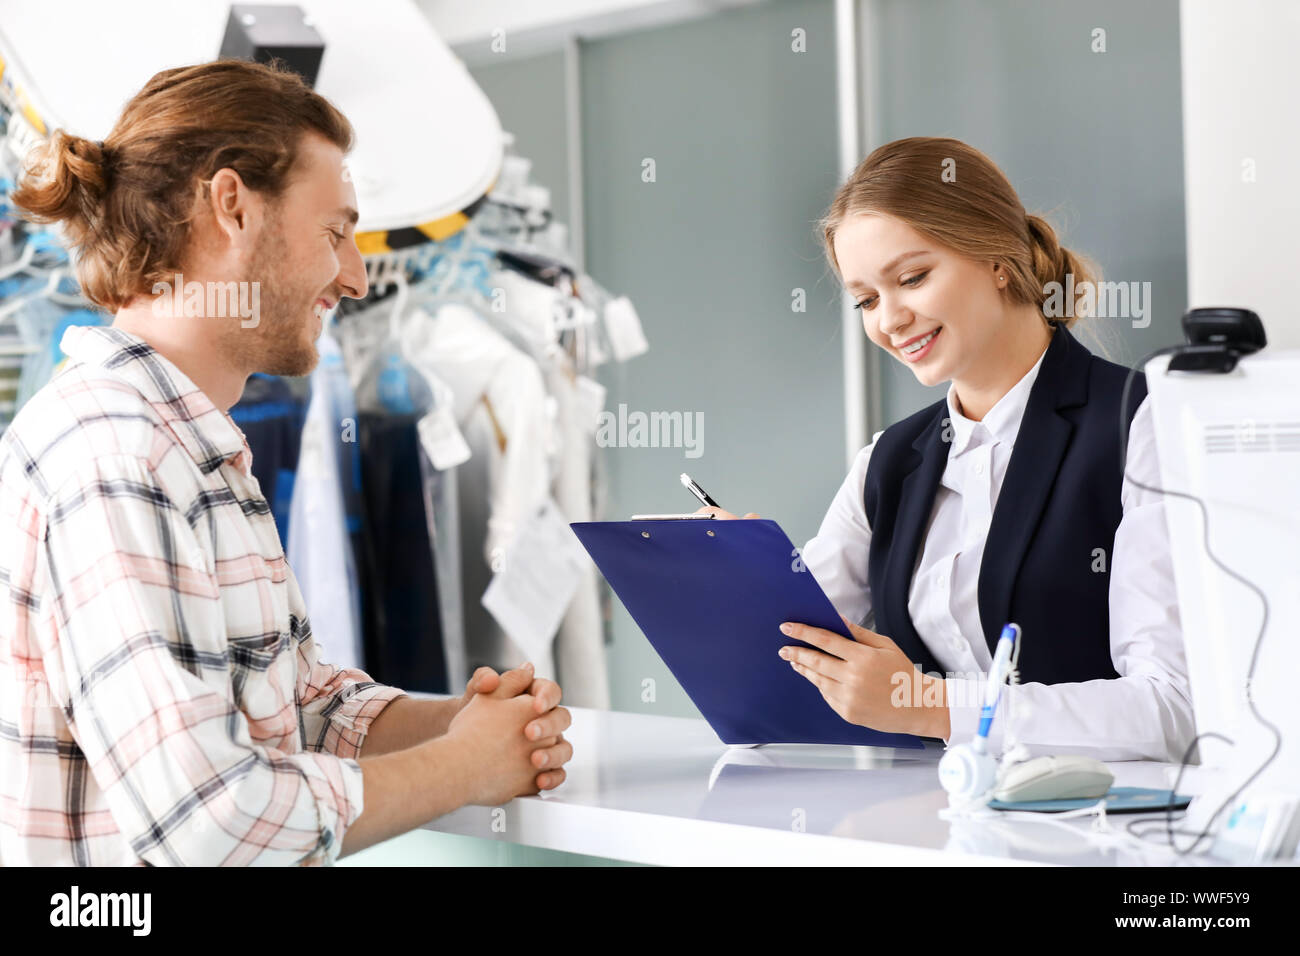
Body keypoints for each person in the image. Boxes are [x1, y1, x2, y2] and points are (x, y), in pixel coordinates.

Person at [0, 59, 572, 866]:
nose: (357, 276)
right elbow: (207, 822)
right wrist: (463, 767)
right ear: (231, 206)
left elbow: (296, 704)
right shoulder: (114, 453)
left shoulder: (191, 444)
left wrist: (465, 722)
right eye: (335, 233)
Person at [703, 137, 1194, 763]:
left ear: (996, 257)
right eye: (866, 300)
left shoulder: (1144, 425)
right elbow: (771, 686)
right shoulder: (890, 460)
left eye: (911, 278)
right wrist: (736, 579)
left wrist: (927, 704)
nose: (889, 319)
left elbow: (1171, 707)